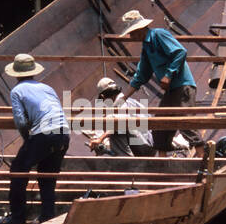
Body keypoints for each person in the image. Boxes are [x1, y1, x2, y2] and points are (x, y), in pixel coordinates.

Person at [0, 53, 69, 224]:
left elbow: (21, 121)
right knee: (47, 176)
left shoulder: (17, 91)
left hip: (44, 133)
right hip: (63, 133)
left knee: (18, 171)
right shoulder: (47, 88)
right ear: (33, 72)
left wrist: (27, 139)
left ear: (16, 74)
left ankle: (17, 218)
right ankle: (47, 218)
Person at [118, 10, 202, 156]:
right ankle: (162, 162)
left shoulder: (158, 35)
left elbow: (180, 52)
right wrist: (123, 98)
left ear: (140, 29)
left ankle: (203, 157)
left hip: (183, 86)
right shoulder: (146, 48)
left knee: (185, 122)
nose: (131, 36)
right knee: (160, 126)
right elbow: (141, 75)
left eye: (132, 33)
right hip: (171, 91)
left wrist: (168, 75)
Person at [87, 77, 154, 157]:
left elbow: (119, 123)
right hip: (151, 144)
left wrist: (100, 139)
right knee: (115, 128)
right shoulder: (131, 101)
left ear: (103, 96)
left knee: (115, 130)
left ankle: (125, 163)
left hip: (143, 146)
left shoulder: (119, 105)